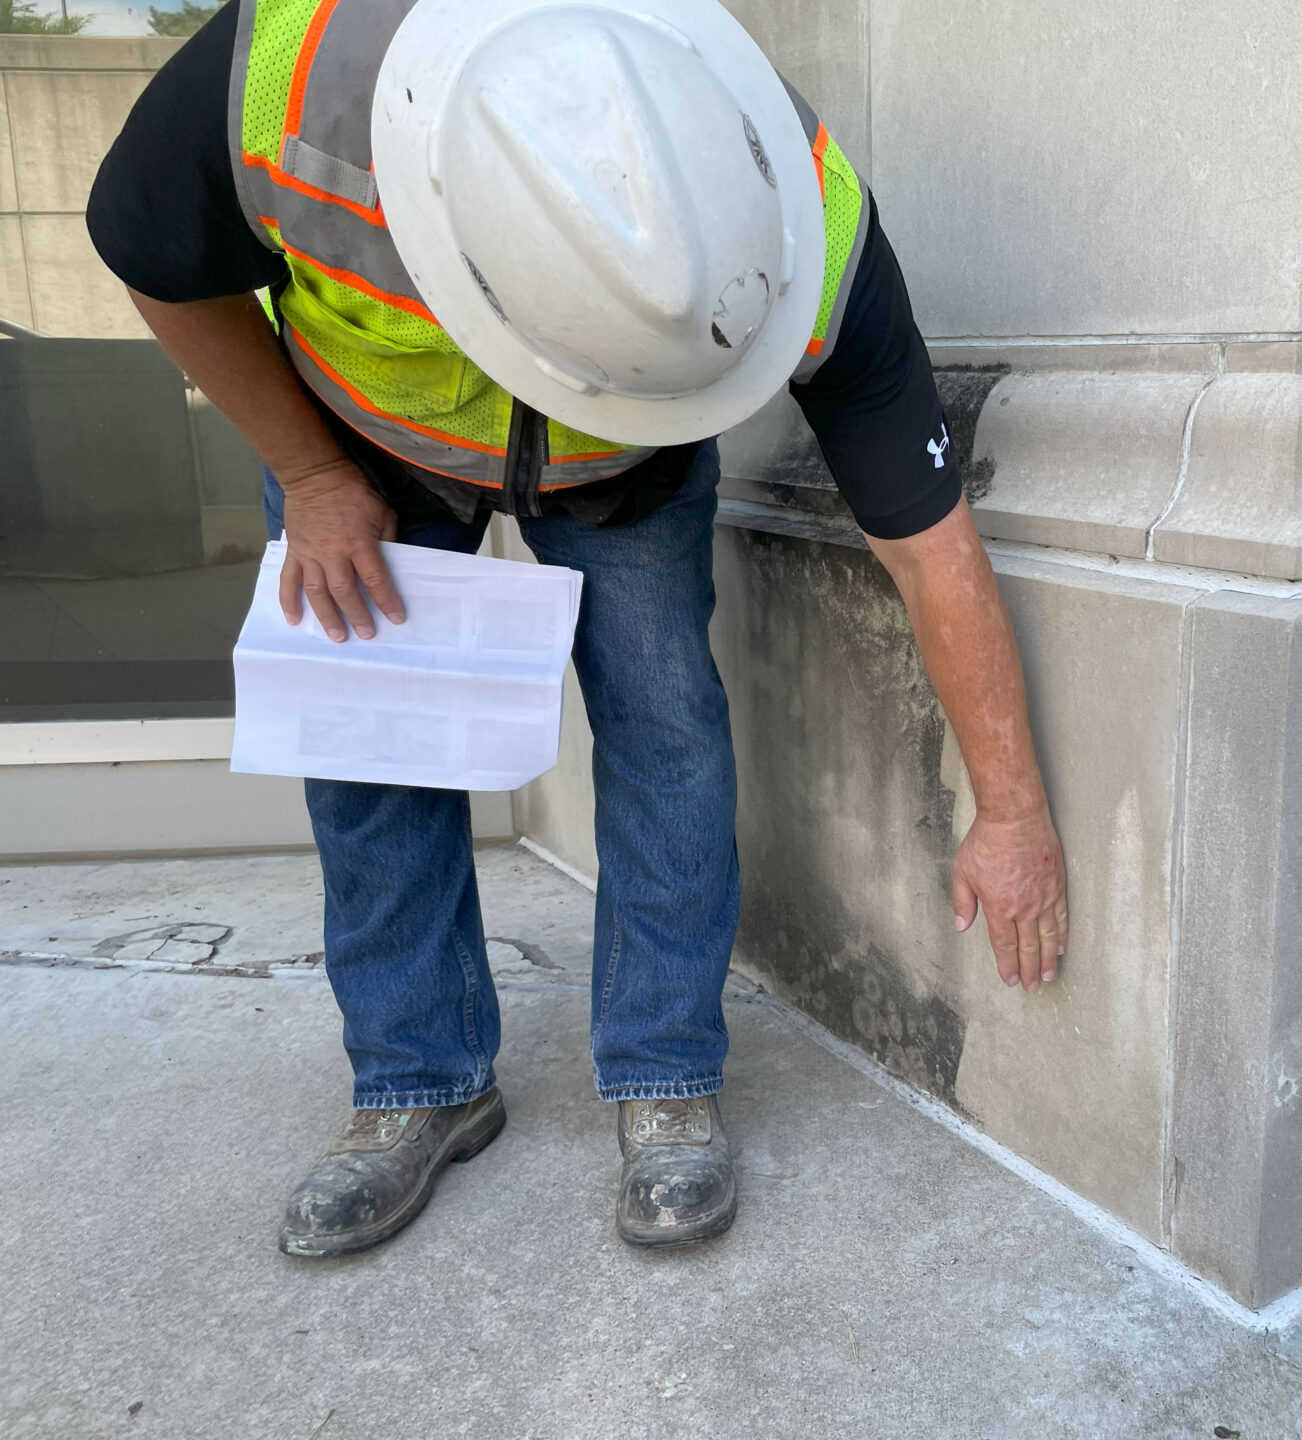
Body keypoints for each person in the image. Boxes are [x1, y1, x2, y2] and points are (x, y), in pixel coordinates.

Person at [87, 0, 1069, 1257]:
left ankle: (666, 1072)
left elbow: (932, 547)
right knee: (374, 752)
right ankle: (417, 1081)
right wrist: (312, 473)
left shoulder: (807, 228)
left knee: (669, 731)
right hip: (356, 438)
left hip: (621, 463)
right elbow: (154, 260)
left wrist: (1012, 813)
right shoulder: (288, 81)